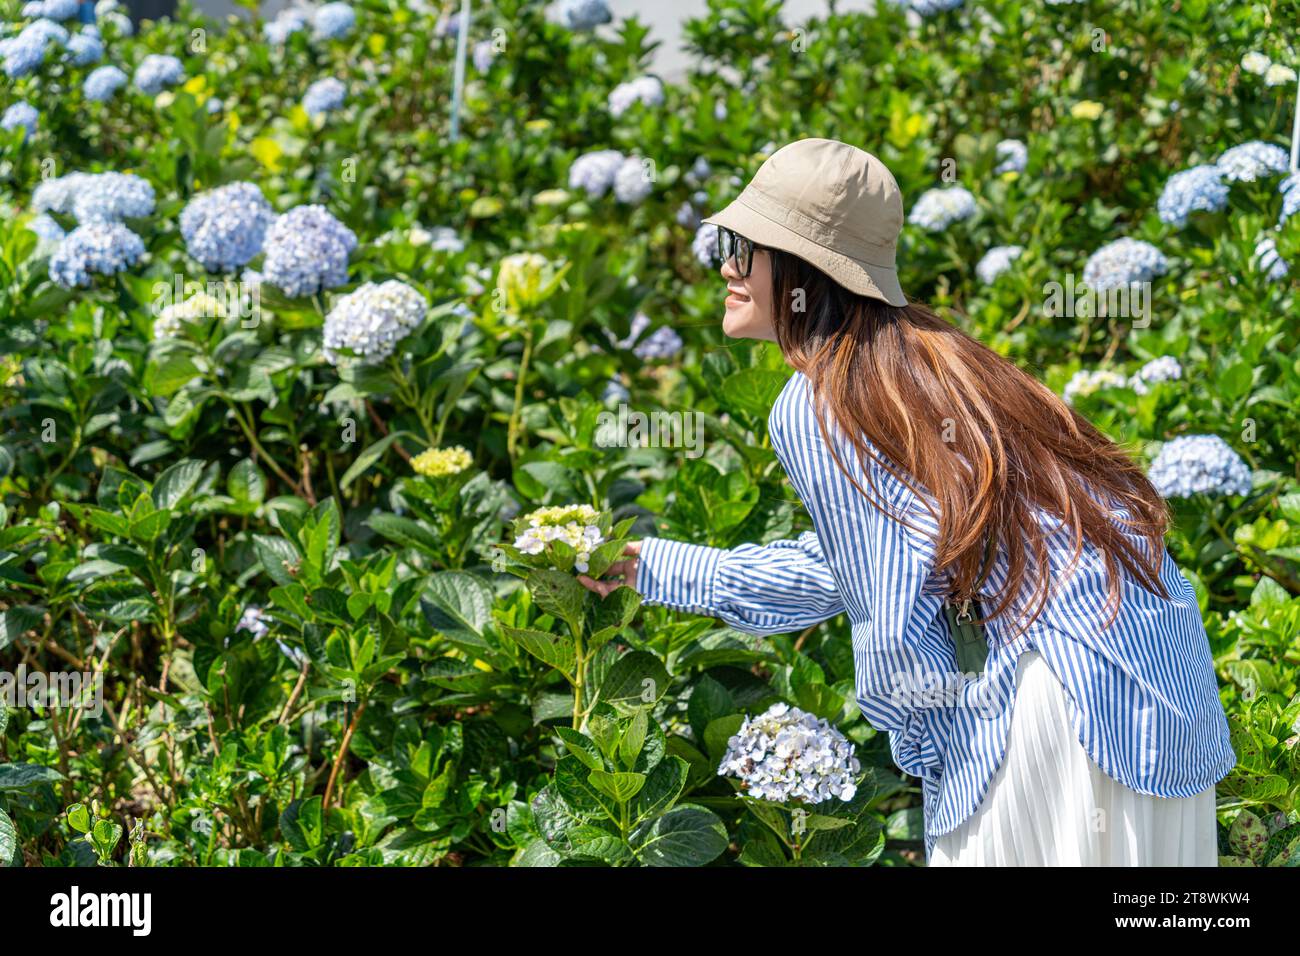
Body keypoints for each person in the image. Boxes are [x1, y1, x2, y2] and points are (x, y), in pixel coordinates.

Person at [578, 137, 1235, 866]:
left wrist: (931, 750)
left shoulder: (818, 400)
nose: (728, 266)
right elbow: (851, 566)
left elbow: (890, 622)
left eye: (747, 246)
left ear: (804, 268)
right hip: (1157, 682)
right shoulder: (934, 355)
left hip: (1059, 698)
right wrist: (654, 567)